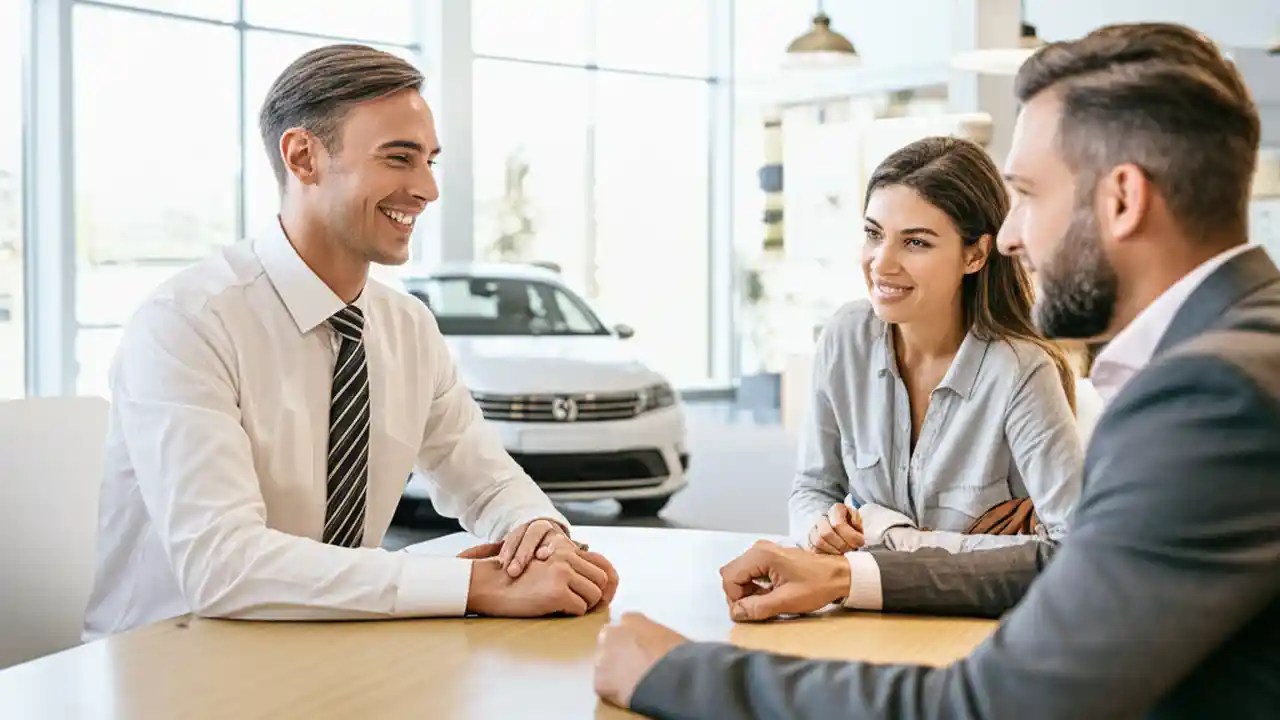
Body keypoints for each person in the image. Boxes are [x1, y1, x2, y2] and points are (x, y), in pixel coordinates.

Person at [595, 22, 1280, 719]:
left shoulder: (1210, 397)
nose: (1012, 235)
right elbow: (1070, 567)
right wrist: (846, 571)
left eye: (1029, 196)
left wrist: (680, 673)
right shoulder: (1245, 349)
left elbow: (993, 705)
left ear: (1123, 199)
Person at [83, 44, 617, 640]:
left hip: (336, 643)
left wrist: (538, 535)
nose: (426, 190)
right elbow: (223, 566)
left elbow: (486, 479)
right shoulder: (186, 324)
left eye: (430, 161)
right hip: (171, 663)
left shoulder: (406, 327)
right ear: (303, 156)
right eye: (398, 158)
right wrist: (472, 586)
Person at [791, 136, 1082, 573]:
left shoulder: (1021, 371)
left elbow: (1073, 545)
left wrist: (881, 534)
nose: (881, 263)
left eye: (916, 243)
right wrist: (822, 525)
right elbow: (812, 488)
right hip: (864, 609)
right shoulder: (844, 338)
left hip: (981, 623)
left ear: (976, 254)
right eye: (874, 234)